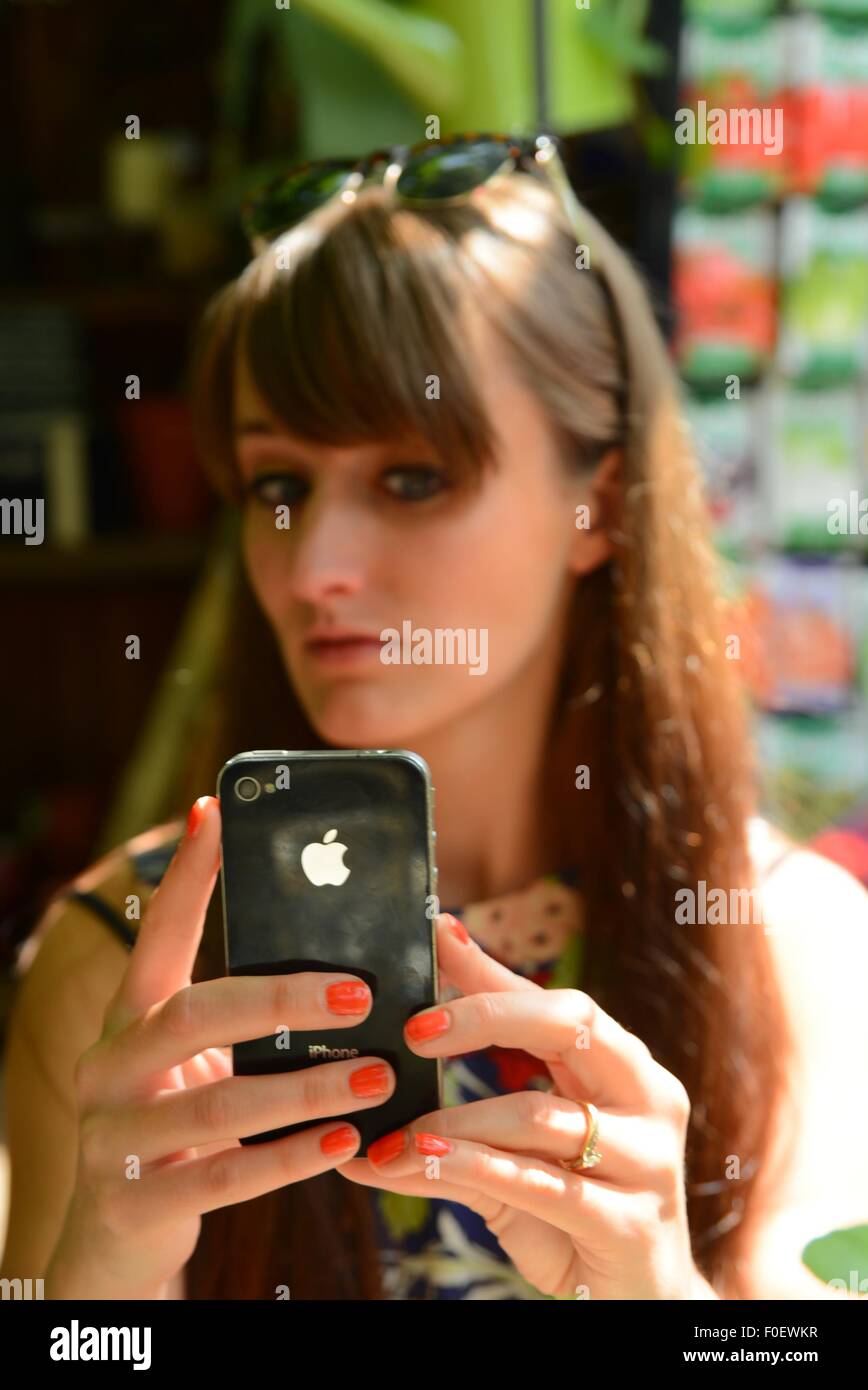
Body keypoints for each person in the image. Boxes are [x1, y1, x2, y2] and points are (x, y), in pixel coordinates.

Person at [3, 136, 867, 1302]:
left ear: (597, 506)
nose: (314, 566)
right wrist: (93, 1293)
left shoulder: (787, 937)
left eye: (411, 479)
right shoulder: (119, 958)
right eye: (278, 486)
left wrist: (664, 1292)